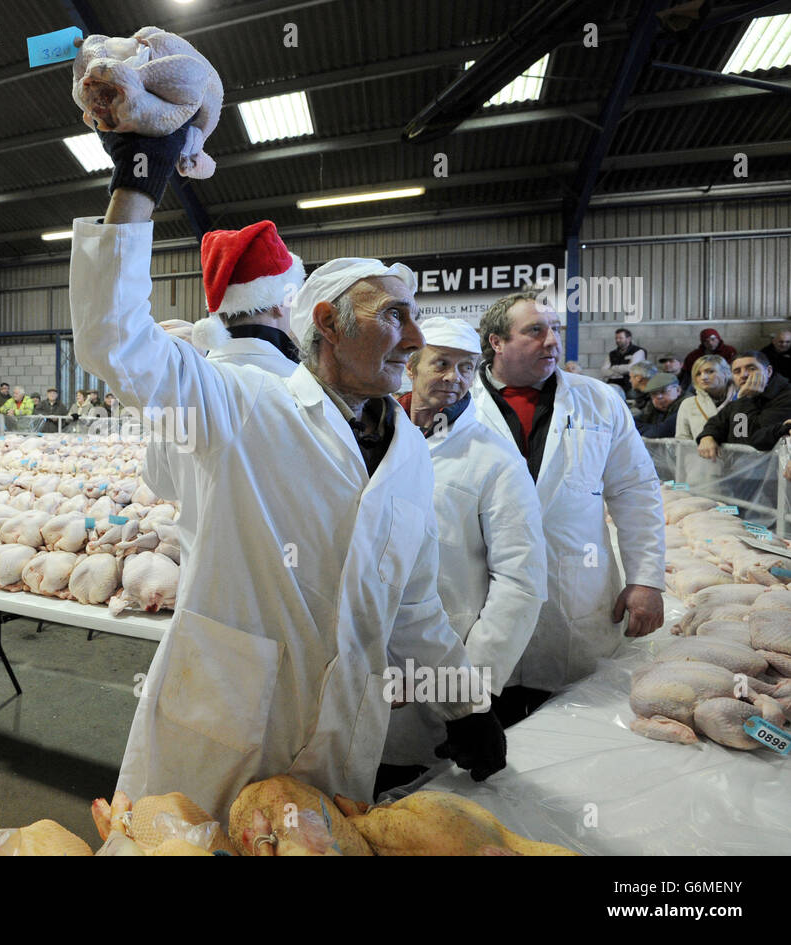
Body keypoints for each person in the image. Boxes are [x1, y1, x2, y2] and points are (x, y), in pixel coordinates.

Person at [71, 125, 499, 821]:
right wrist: (137, 184)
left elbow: (414, 605)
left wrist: (463, 702)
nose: (417, 338)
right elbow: (114, 341)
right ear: (326, 323)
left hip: (339, 743)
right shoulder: (244, 403)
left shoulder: (410, 451)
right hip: (226, 730)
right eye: (394, 316)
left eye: (415, 317)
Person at [470, 288, 665, 726]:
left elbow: (635, 490)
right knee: (478, 727)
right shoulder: (460, 404)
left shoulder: (599, 400)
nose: (552, 341)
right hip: (480, 593)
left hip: (576, 591)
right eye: (534, 331)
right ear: (497, 342)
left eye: (554, 329)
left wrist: (646, 579)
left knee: (570, 727)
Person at [381, 318, 547, 786]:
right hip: (367, 663)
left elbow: (521, 579)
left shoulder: (494, 458)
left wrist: (470, 690)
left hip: (445, 664)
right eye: (442, 364)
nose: (454, 377)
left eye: (467, 368)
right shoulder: (373, 435)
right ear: (411, 367)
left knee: (424, 803)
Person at [697, 351, 791, 456]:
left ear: (768, 371)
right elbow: (717, 422)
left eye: (751, 369)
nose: (744, 375)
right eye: (737, 371)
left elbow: (751, 440)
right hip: (740, 469)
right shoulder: (742, 398)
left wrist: (745, 399)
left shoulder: (787, 397)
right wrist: (708, 436)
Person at [675, 354, 737, 443]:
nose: (703, 377)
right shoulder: (688, 404)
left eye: (710, 371)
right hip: (698, 456)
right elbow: (682, 441)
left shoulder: (741, 400)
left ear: (725, 373)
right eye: (698, 374)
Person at [635, 373, 684, 439]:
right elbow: (632, 424)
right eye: (653, 394)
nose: (659, 397)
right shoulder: (653, 407)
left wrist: (654, 429)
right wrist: (654, 428)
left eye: (663, 391)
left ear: (678, 390)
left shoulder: (686, 405)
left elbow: (661, 433)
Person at [600, 328, 644, 393]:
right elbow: (603, 371)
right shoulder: (612, 353)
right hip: (612, 385)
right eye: (616, 338)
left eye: (620, 338)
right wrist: (622, 373)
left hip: (629, 386)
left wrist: (613, 368)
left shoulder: (638, 351)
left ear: (628, 339)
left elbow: (632, 368)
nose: (617, 340)